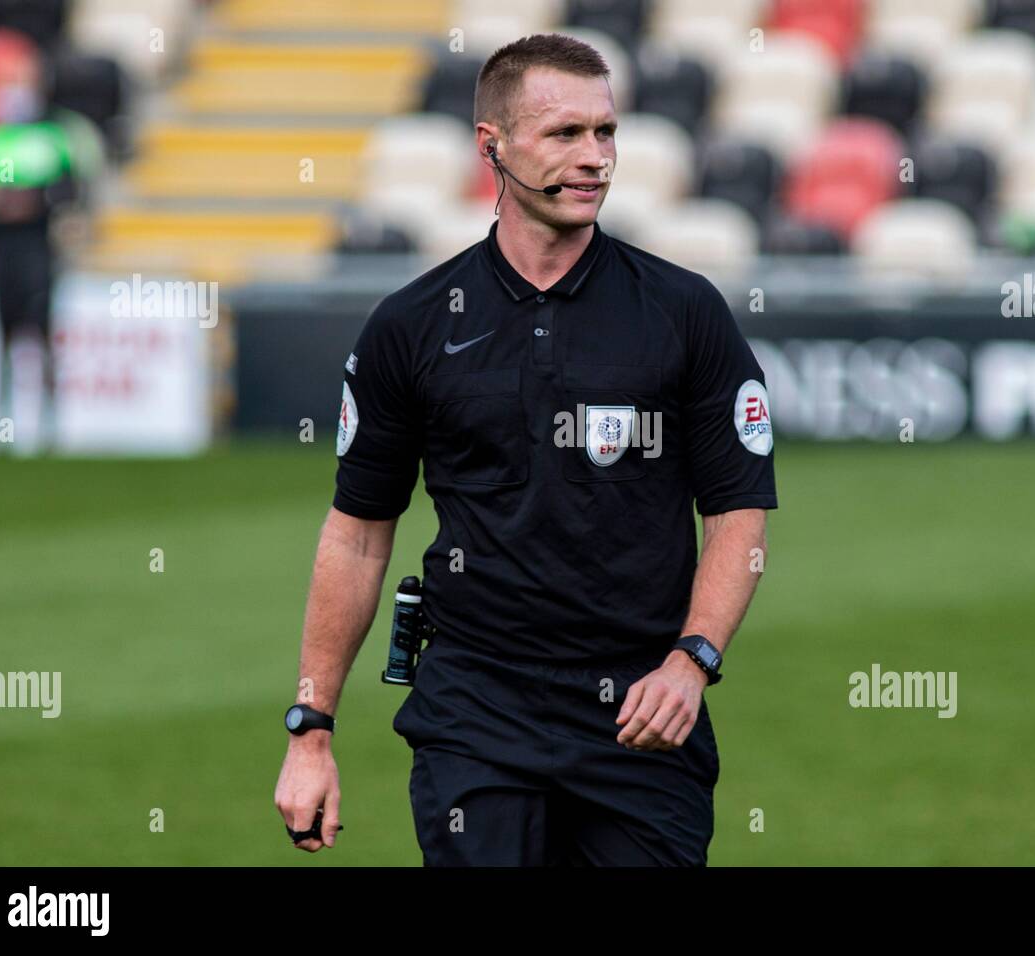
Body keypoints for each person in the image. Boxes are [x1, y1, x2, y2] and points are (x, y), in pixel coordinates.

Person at [275, 33, 777, 866]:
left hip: (642, 710)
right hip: (477, 709)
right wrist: (311, 728)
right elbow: (358, 532)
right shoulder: (413, 325)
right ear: (492, 146)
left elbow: (737, 512)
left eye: (606, 133)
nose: (595, 158)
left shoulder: (685, 312)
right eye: (565, 134)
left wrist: (692, 662)